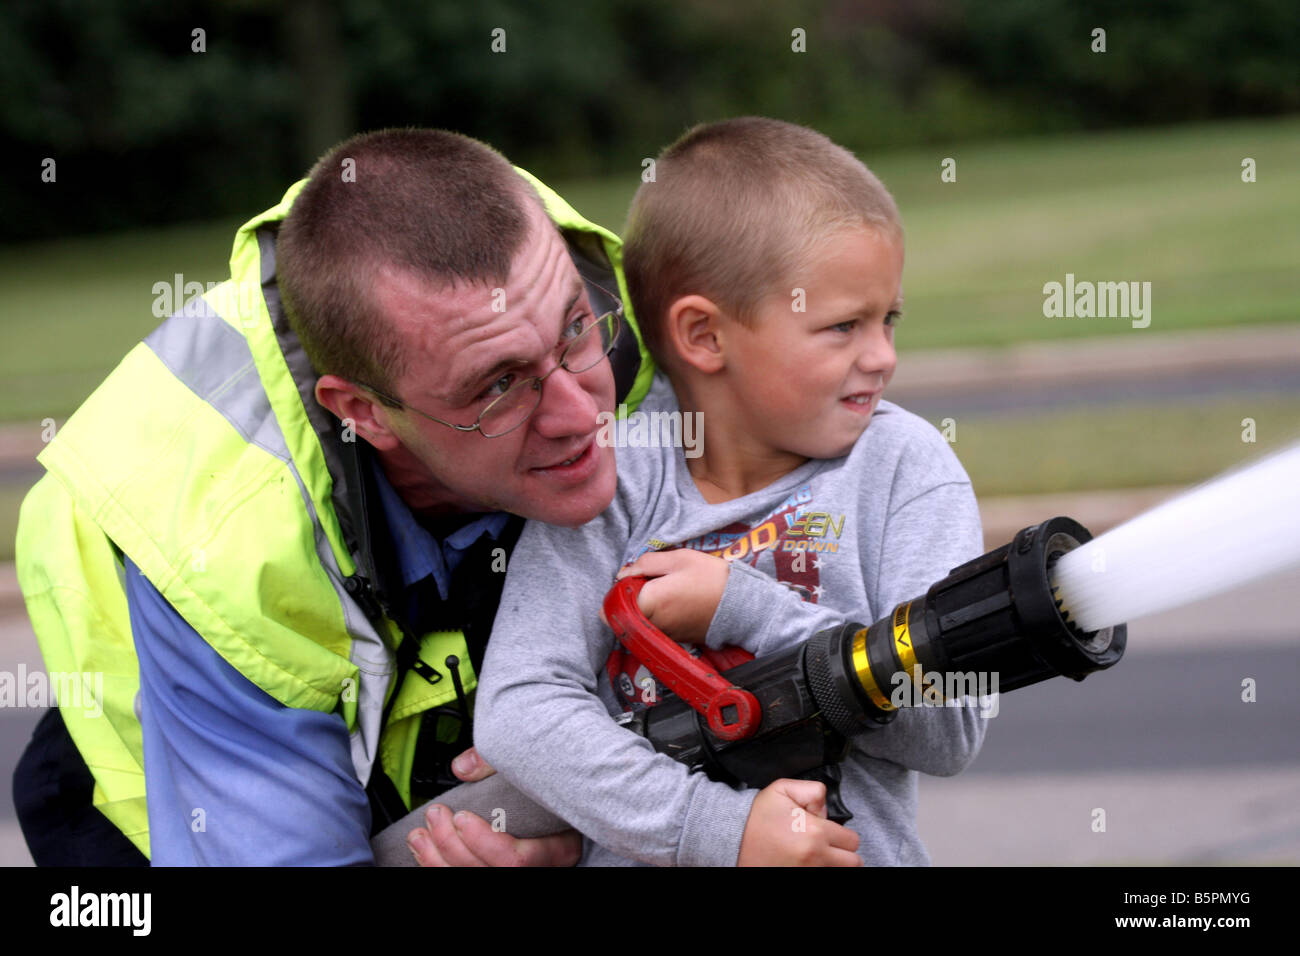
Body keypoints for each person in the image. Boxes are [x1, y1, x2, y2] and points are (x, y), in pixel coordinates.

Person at [12, 127, 657, 865]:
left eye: (576, 331)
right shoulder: (224, 551)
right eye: (500, 386)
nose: (582, 414)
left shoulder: (623, 322)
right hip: (182, 777)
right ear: (363, 412)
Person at [410, 117, 991, 866]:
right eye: (844, 326)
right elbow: (521, 713)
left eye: (889, 320)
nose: (883, 357)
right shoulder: (612, 474)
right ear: (704, 336)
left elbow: (949, 729)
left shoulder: (904, 471)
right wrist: (719, 834)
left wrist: (746, 609)